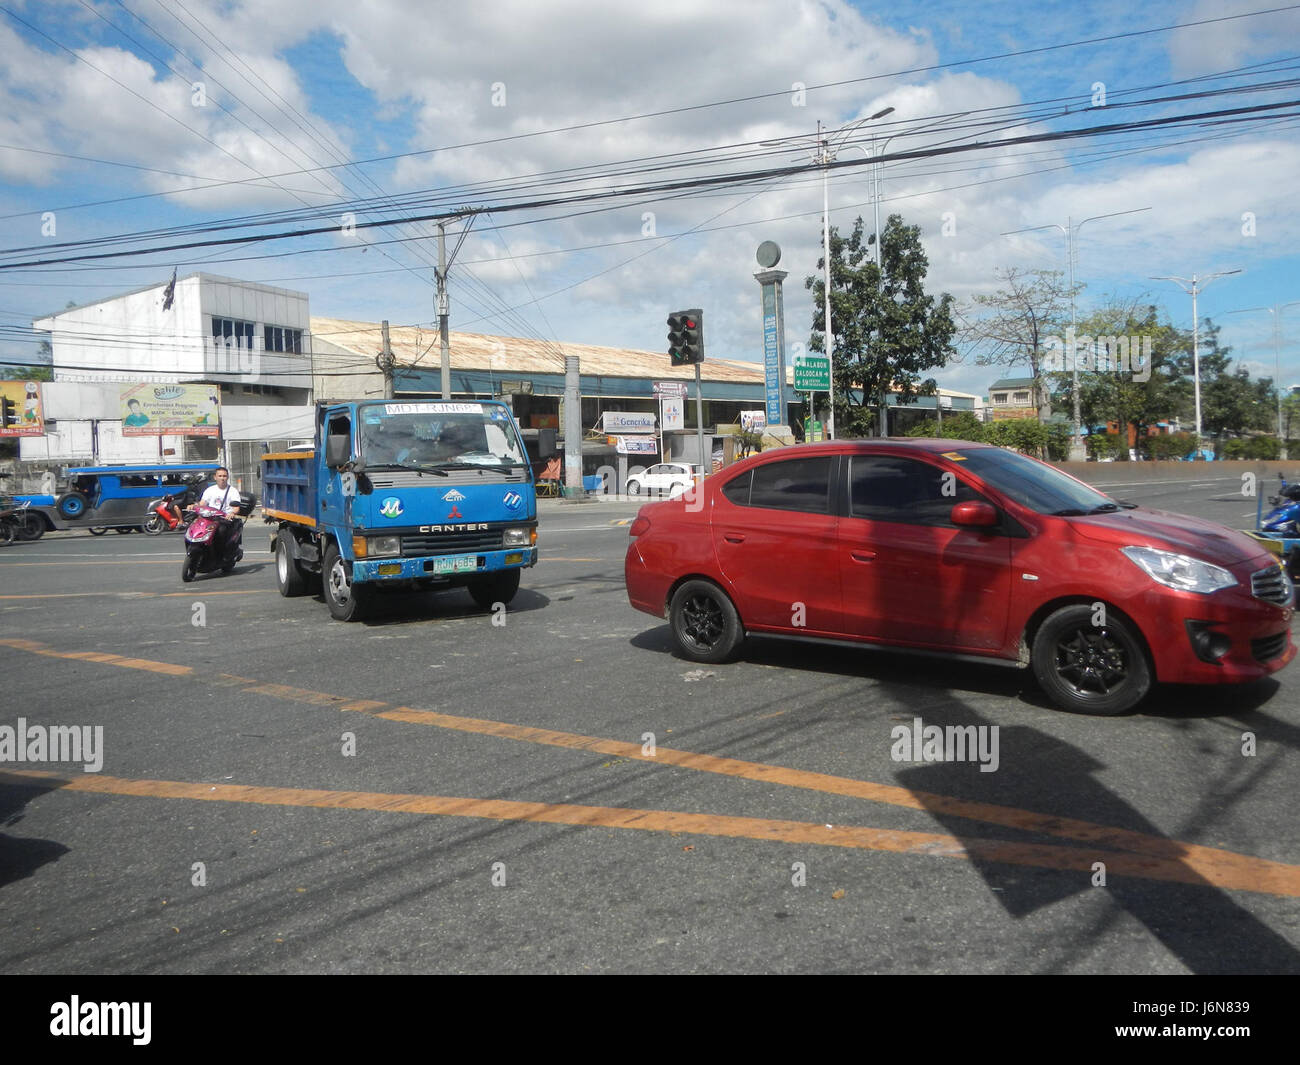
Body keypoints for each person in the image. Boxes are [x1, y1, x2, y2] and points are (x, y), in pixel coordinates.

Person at [194, 467, 243, 559]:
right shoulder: (210, 490)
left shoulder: (233, 491)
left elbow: (236, 508)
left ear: (227, 477)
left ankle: (221, 555)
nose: (222, 478)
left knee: (221, 531)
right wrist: (194, 506)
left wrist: (232, 513)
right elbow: (202, 503)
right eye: (220, 476)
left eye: (224, 476)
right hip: (210, 518)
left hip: (225, 519)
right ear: (215, 477)